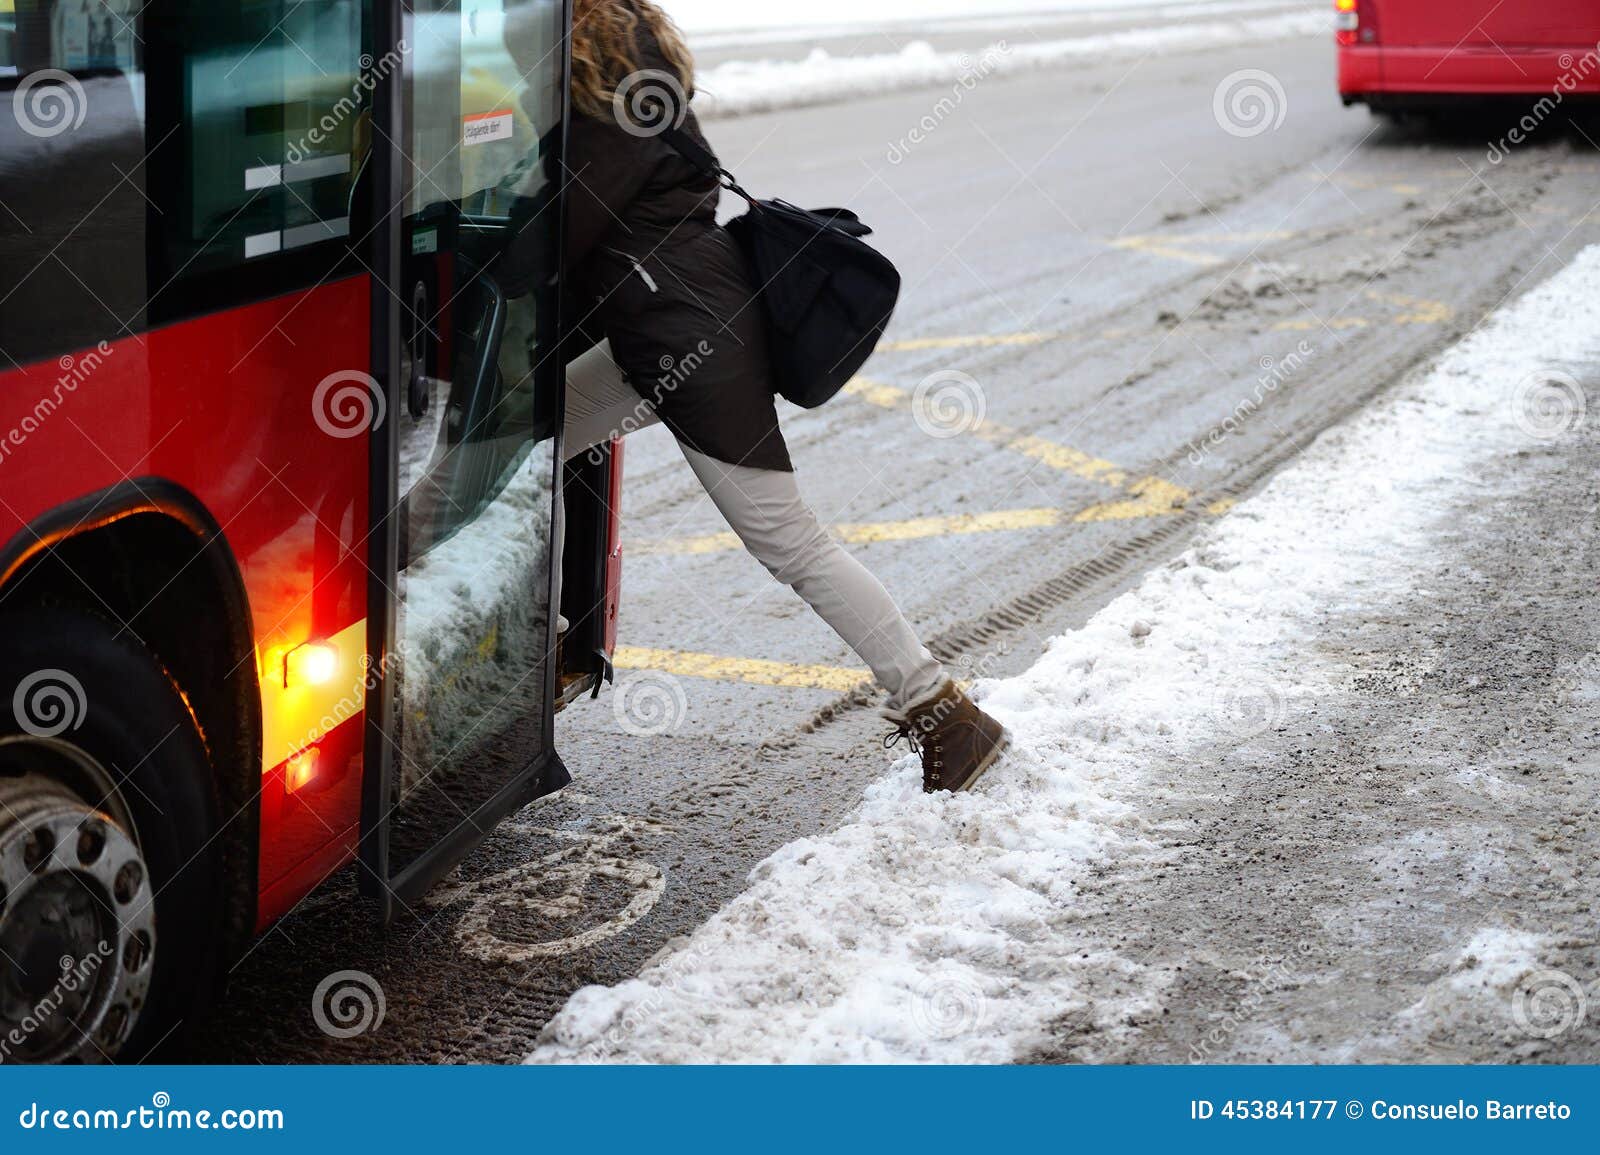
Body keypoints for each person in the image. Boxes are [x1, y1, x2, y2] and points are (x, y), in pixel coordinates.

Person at [527, 0, 1008, 792]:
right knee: (520, 447)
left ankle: (944, 710)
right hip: (670, 320)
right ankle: (521, 664)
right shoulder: (633, 64)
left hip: (686, 336)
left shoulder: (604, 105)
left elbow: (556, 227)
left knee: (790, 541)